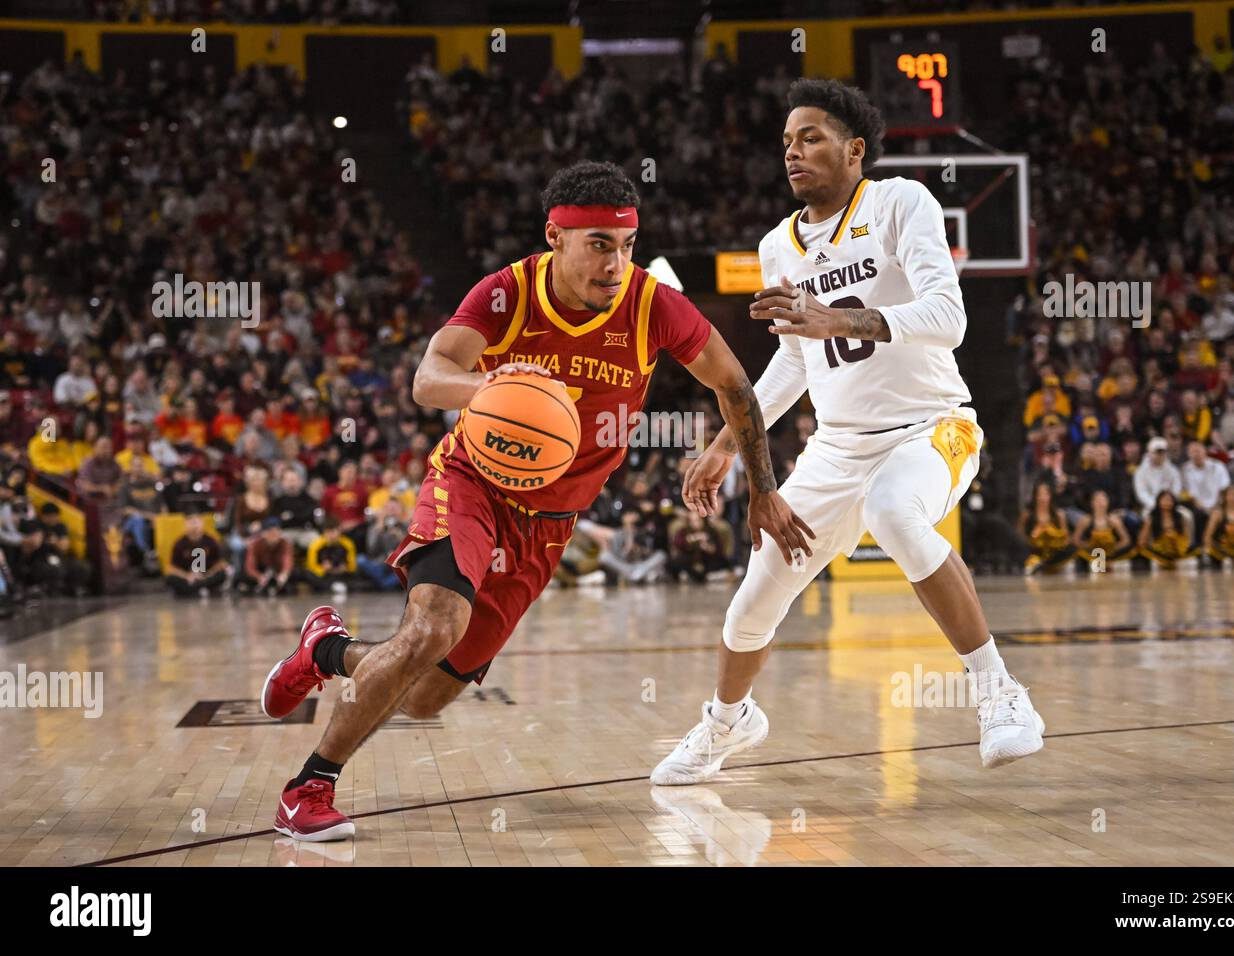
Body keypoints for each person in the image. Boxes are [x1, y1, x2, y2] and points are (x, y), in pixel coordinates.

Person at [259, 159, 810, 840]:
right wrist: (488, 390)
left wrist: (760, 486)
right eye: (599, 245)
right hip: (473, 483)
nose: (615, 264)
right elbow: (429, 379)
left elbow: (735, 387)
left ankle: (328, 651)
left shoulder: (653, 306)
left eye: (627, 245)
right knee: (432, 629)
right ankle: (308, 788)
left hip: (549, 523)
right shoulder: (506, 294)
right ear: (556, 237)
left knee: (427, 695)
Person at [652, 79, 1044, 788]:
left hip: (932, 425)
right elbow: (794, 362)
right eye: (787, 142)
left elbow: (947, 317)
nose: (794, 153)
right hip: (836, 447)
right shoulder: (779, 245)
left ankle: (999, 692)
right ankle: (726, 722)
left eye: (811, 138)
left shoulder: (901, 203)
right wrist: (720, 447)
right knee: (753, 603)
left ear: (855, 148)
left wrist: (842, 319)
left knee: (895, 510)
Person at [165, 512, 231, 597]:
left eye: (196, 522)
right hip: (187, 577)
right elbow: (172, 567)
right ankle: (200, 589)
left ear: (202, 523)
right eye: (191, 523)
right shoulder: (179, 543)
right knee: (170, 579)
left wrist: (206, 575)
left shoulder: (210, 541)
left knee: (222, 574)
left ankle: (194, 590)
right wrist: (187, 576)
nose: (194, 526)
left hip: (206, 576)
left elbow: (220, 563)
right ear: (185, 524)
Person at [1072, 489, 1133, 570]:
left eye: (1103, 500)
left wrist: (1113, 548)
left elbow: (1126, 540)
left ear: (1107, 502)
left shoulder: (1114, 520)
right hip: (1092, 552)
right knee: (1077, 552)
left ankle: (1108, 563)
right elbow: (1075, 540)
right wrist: (1088, 546)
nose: (1100, 503)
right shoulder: (1086, 520)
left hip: (1111, 553)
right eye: (1097, 500)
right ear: (1092, 503)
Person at [1138, 489, 1198, 569]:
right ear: (1158, 501)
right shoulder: (1152, 518)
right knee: (1143, 550)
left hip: (1178, 549)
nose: (1167, 502)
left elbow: (1186, 538)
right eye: (1164, 499)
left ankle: (1173, 561)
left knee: (1197, 549)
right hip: (1160, 550)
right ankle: (1166, 561)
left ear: (1174, 502)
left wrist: (1175, 541)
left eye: (1169, 500)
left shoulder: (1179, 517)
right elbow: (1142, 541)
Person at [305, 517, 357, 594]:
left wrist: (345, 568)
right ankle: (332, 586)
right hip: (325, 575)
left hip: (342, 574)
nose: (331, 535)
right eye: (328, 532)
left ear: (339, 531)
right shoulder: (316, 545)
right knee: (308, 574)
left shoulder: (347, 544)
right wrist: (322, 569)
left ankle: (334, 586)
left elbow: (352, 566)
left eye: (333, 531)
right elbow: (311, 566)